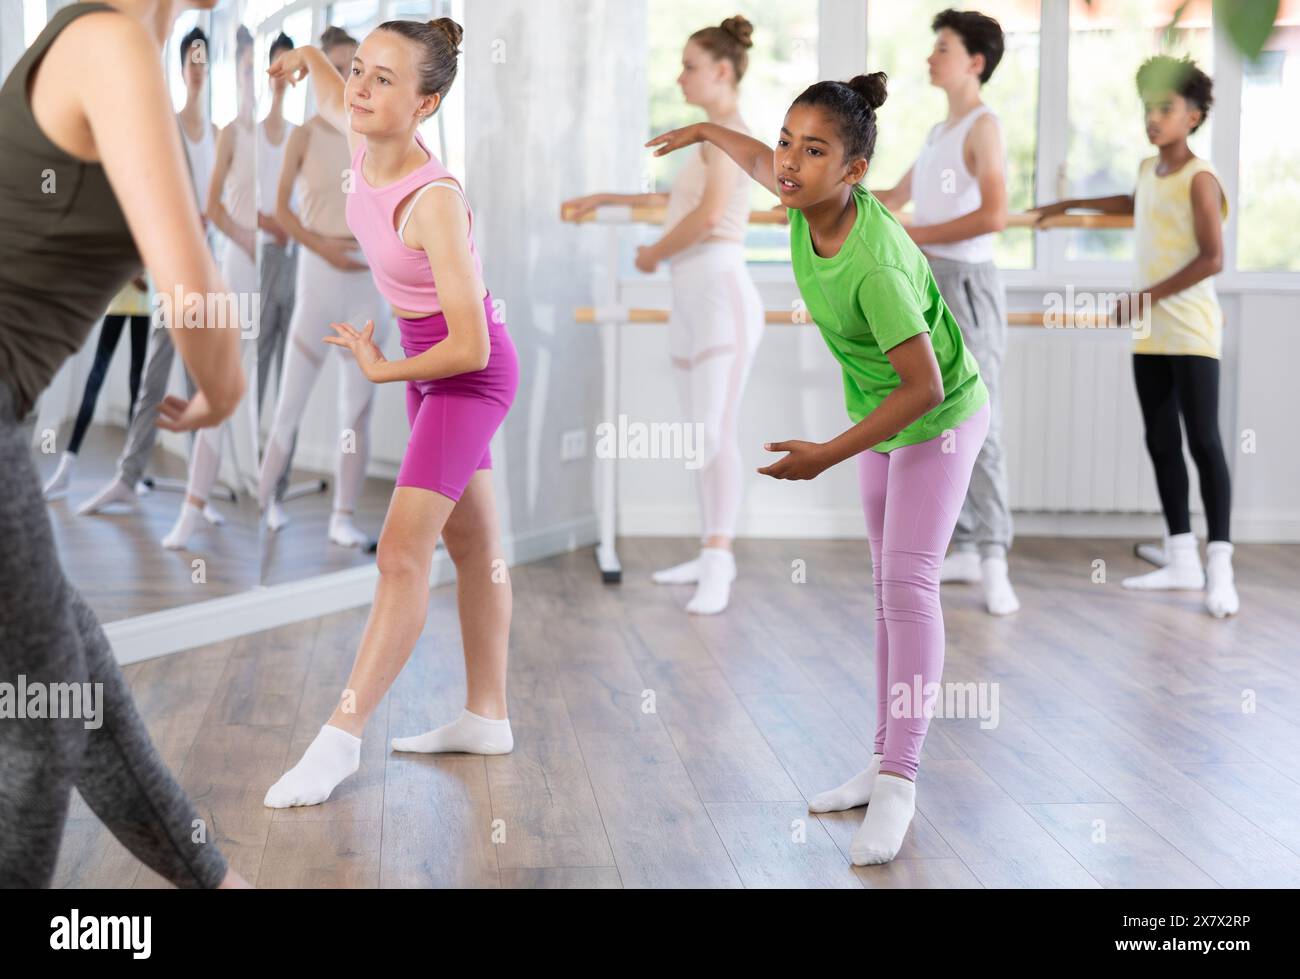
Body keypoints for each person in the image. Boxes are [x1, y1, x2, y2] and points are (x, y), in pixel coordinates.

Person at [648, 72, 989, 865]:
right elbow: (757, 160)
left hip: (935, 417)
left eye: (815, 151)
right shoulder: (807, 198)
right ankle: (881, 760)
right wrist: (704, 132)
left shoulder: (871, 260)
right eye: (786, 144)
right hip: (886, 414)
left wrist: (828, 453)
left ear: (854, 172)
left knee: (909, 587)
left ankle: (901, 781)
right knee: (885, 591)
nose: (790, 164)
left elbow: (926, 387)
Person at [0, 0, 249, 888]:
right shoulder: (113, 45)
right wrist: (227, 390)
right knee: (41, 710)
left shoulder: (97, 41)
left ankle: (214, 881)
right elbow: (192, 290)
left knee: (77, 669)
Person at [261, 18, 520, 809]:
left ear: (427, 104)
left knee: (401, 557)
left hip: (464, 375)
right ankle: (487, 716)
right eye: (357, 73)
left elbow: (472, 345)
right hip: (424, 369)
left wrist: (383, 369)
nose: (359, 89)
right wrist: (295, 61)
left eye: (382, 80)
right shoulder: (361, 127)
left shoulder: (432, 199)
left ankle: (338, 739)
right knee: (475, 547)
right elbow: (318, 65)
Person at [563, 15, 765, 615]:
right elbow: (674, 200)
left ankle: (721, 560)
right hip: (693, 297)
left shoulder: (731, 133)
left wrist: (651, 252)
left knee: (713, 432)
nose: (680, 78)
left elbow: (708, 217)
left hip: (721, 294)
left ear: (722, 72)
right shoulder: (711, 140)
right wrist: (607, 199)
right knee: (698, 436)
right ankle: (708, 554)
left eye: (690, 66)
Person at [1034, 54, 1236, 618]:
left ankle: (1220, 564)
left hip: (1191, 330)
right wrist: (1065, 203)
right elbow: (1132, 203)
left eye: (1165, 108)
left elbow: (1213, 258)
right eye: (1149, 107)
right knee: (1160, 441)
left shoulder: (1201, 178)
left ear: (1193, 116)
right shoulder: (1151, 170)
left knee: (1204, 442)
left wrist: (1142, 297)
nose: (1154, 117)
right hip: (1149, 334)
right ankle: (1180, 558)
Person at [874, 8, 1017, 615]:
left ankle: (993, 558)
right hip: (927, 284)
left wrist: (917, 236)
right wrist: (814, 194)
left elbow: (994, 216)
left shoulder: (984, 125)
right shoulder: (938, 132)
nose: (931, 57)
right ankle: (956, 547)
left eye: (943, 48)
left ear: (974, 62)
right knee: (933, 419)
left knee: (978, 425)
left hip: (967, 285)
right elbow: (892, 198)